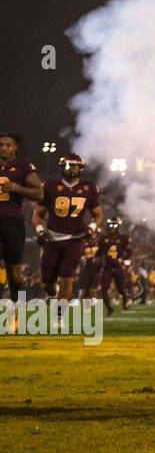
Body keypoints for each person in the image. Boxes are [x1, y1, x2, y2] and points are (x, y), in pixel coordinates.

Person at [33, 154, 101, 331]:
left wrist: (92, 227)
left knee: (67, 279)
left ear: (81, 168)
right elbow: (37, 214)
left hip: (75, 239)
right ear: (61, 166)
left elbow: (98, 215)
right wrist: (40, 230)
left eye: (76, 166)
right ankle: (52, 292)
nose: (73, 169)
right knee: (47, 282)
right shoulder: (50, 186)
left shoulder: (88, 187)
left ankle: (59, 317)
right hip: (53, 238)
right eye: (69, 165)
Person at [0, 132, 42, 330]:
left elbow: (39, 192)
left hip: (11, 222)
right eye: (1, 144)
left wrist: (16, 187)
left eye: (9, 145)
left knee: (14, 273)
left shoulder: (22, 166)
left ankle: (16, 311)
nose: (4, 148)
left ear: (15, 148)